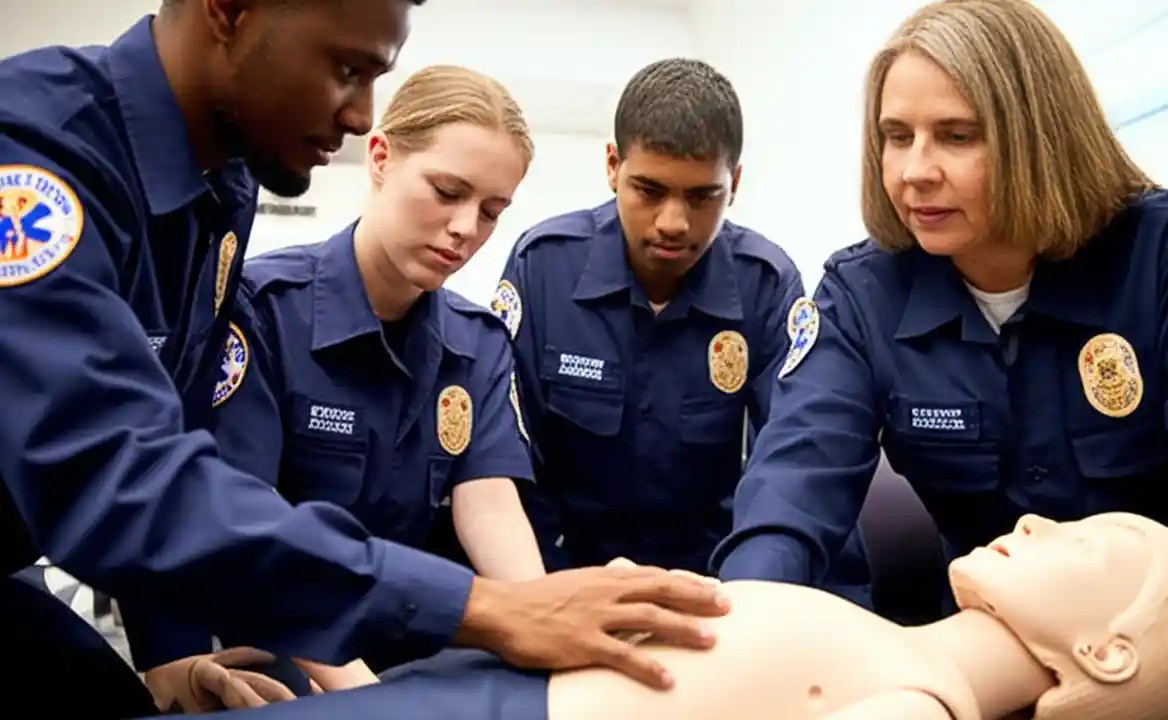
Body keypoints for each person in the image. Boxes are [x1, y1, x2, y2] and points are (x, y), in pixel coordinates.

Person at [0, 1, 729, 714]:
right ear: (229, 11)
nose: (357, 114)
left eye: (492, 210)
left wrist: (545, 615)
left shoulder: (223, 189)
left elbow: (168, 447)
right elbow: (137, 478)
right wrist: (485, 612)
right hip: (293, 623)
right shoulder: (42, 151)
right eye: (346, 68)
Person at [709, 0, 1168, 717]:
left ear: (1039, 135)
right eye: (896, 136)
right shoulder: (863, 295)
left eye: (957, 136)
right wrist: (738, 637)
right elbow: (793, 484)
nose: (915, 171)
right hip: (999, 679)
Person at [133, 64, 549, 705]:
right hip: (279, 647)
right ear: (380, 157)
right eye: (446, 191)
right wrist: (366, 696)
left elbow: (490, 507)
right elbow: (253, 530)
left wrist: (548, 632)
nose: (467, 227)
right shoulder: (262, 310)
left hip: (407, 649)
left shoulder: (478, 345)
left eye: (492, 211)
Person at [202, 511, 1168, 720]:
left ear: (1104, 651)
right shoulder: (893, 643)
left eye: (1081, 543)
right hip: (508, 672)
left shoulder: (921, 705)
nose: (1036, 519)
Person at [491, 57, 806, 575]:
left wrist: (751, 596)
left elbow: (793, 465)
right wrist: (552, 592)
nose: (673, 223)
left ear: (736, 183)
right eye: (650, 191)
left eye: (703, 196)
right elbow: (512, 458)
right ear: (613, 166)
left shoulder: (765, 285)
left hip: (714, 584)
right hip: (568, 580)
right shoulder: (544, 266)